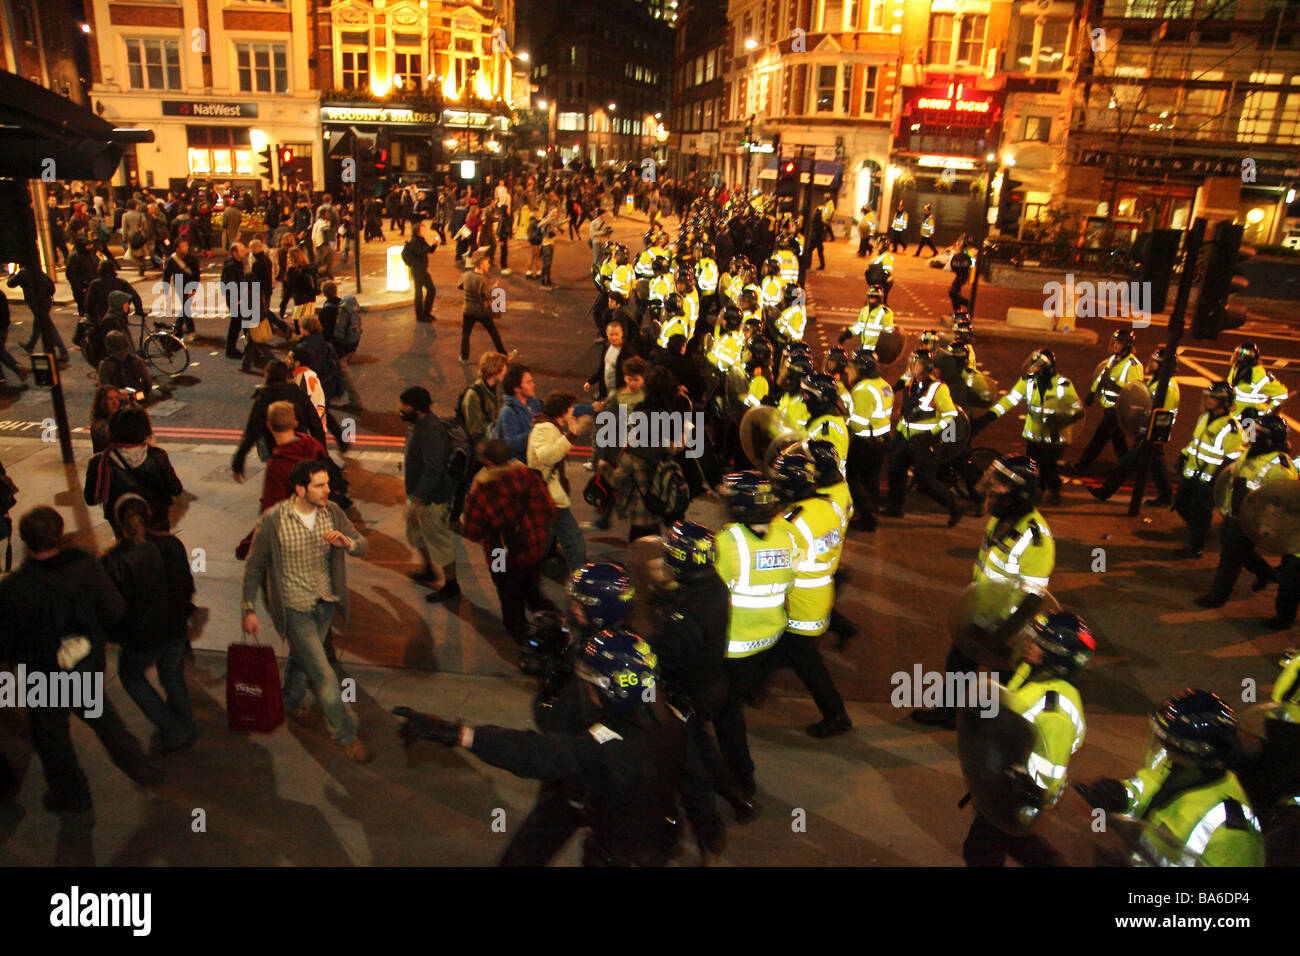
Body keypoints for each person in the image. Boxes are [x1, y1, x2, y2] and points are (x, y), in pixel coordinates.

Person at [393, 627, 687, 867]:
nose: (588, 691)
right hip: (650, 837)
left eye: (591, 686)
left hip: (619, 849)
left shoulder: (609, 747)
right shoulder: (670, 719)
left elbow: (534, 753)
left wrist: (461, 735)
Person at [0, 506, 157, 817]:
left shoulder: (15, 588)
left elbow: (5, 644)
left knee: (51, 738)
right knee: (106, 722)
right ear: (59, 534)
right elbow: (114, 610)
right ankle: (143, 771)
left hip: (42, 676)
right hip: (83, 666)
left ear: (26, 541)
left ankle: (72, 795)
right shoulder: (85, 567)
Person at [241, 459, 372, 762]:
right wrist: (248, 607)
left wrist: (348, 543)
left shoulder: (334, 513)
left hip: (324, 603)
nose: (328, 489)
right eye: (320, 485)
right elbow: (255, 564)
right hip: (293, 607)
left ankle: (289, 699)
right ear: (300, 489)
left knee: (303, 659)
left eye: (328, 483)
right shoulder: (274, 520)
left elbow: (363, 545)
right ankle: (346, 733)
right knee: (324, 673)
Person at [962, 611, 1094, 866]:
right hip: (1004, 776)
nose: (1028, 644)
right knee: (1018, 844)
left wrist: (1027, 791)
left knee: (981, 851)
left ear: (1053, 656)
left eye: (1036, 642)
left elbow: (1049, 767)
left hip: (1018, 791)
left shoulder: (1056, 710)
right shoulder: (1033, 670)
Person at [1077, 689, 1265, 866]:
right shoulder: (1179, 766)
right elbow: (1146, 787)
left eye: (1170, 744)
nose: (1165, 750)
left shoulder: (1231, 830)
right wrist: (1121, 795)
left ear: (1194, 751)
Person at [713, 472, 797, 796]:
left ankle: (741, 776)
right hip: (771, 635)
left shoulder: (729, 542)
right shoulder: (787, 534)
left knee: (726, 712)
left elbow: (710, 591)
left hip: (734, 645)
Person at [760, 453, 853, 738]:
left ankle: (836, 715)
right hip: (819, 595)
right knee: (788, 654)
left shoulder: (789, 522)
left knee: (806, 662)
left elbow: (772, 562)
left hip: (799, 603)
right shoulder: (825, 507)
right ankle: (752, 689)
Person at [100, 494, 197, 754]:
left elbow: (110, 606)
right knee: (174, 678)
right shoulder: (172, 545)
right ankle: (187, 727)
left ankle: (172, 729)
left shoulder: (113, 559)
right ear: (149, 515)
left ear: (119, 523)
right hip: (174, 629)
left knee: (132, 677)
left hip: (141, 638)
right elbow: (187, 586)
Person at [461, 438, 558, 644]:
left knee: (507, 593)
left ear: (487, 461)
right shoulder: (529, 477)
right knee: (532, 587)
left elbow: (471, 531)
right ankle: (551, 621)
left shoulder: (482, 490)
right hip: (532, 546)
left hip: (498, 554)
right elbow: (549, 511)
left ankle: (520, 633)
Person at [1195, 413, 1297, 608]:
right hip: (1237, 513)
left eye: (1257, 433)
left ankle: (1218, 595)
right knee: (1233, 547)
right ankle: (1266, 574)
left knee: (1230, 558)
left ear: (1269, 440)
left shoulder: (1280, 468)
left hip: (1254, 520)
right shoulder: (1253, 451)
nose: (1251, 435)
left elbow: (1284, 503)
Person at [974, 349, 1079, 506]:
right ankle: (1037, 492)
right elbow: (1010, 400)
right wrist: (990, 416)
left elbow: (1075, 409)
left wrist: (1060, 420)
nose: (1032, 368)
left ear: (1046, 367)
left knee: (1049, 465)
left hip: (1055, 434)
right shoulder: (1028, 381)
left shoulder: (1063, 384)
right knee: (1033, 465)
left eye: (1036, 365)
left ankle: (1054, 490)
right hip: (1034, 434)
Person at [1089, 346, 1179, 505]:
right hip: (1150, 431)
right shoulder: (1156, 380)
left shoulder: (1168, 387)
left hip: (1153, 432)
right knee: (1156, 466)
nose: (1152, 364)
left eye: (1157, 362)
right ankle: (1165, 496)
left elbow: (1158, 411)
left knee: (1127, 464)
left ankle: (1105, 491)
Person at [885, 350, 963, 524]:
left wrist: (932, 432)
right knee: (895, 471)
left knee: (925, 482)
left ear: (926, 367)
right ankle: (894, 508)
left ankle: (954, 507)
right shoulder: (911, 382)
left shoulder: (938, 388)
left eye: (916, 363)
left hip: (923, 442)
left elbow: (950, 415)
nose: (912, 366)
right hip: (905, 437)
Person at [399, 386, 461, 603]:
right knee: (414, 532)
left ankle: (451, 585)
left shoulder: (430, 430)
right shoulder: (417, 425)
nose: (400, 408)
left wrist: (419, 498)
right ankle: (428, 568)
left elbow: (433, 468)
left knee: (439, 540)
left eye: (405, 405)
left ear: (417, 408)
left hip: (433, 498)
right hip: (418, 493)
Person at [84, 405, 183, 533]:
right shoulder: (157, 456)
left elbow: (91, 499)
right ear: (145, 430)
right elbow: (176, 488)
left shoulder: (99, 461)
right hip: (157, 521)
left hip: (121, 525)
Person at [231, 359, 327, 481]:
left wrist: (238, 463)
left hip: (275, 448)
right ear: (286, 376)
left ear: (267, 376)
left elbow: (251, 432)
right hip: (299, 445)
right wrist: (323, 457)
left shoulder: (264, 397)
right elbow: (316, 425)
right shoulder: (298, 393)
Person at [972, 455, 1055, 590]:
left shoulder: (1035, 540)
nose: (993, 488)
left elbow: (1032, 597)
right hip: (984, 604)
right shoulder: (999, 519)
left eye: (1000, 483)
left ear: (1019, 492)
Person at [528, 390, 589, 573]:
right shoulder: (545, 428)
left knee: (545, 537)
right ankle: (580, 579)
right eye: (571, 408)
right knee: (573, 540)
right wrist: (571, 435)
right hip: (549, 496)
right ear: (563, 411)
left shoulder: (549, 426)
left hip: (547, 494)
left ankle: (529, 571)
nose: (573, 412)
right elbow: (547, 456)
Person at [1072, 329, 1143, 474]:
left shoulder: (1133, 365)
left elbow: (1134, 390)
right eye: (1115, 342)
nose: (1115, 345)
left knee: (1099, 439)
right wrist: (1092, 392)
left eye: (1119, 342)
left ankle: (1083, 466)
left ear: (1127, 345)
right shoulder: (1113, 359)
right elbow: (1101, 378)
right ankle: (1128, 468)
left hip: (1118, 410)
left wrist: (1115, 387)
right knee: (1118, 441)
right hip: (1109, 407)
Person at [258, 400, 328, 515]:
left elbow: (273, 507)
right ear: (295, 423)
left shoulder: (277, 465)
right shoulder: (314, 445)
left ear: (268, 425)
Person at [458, 250, 508, 364]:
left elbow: (460, 286)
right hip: (481, 311)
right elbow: (487, 296)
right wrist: (494, 289)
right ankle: (504, 355)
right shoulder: (482, 280)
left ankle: (464, 357)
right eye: (487, 263)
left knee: (465, 334)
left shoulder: (465, 275)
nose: (489, 265)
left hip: (468, 310)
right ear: (480, 265)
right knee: (494, 333)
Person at [497, 362, 542, 462]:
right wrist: (536, 431)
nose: (533, 385)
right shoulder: (508, 411)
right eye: (528, 382)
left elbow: (553, 410)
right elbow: (512, 444)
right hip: (521, 467)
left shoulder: (534, 402)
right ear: (516, 388)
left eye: (532, 381)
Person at [162, 237, 201, 338]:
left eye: (186, 246)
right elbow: (167, 275)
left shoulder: (192, 258)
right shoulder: (172, 260)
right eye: (183, 247)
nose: (186, 248)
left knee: (185, 306)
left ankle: (178, 326)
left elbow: (196, 275)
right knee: (186, 306)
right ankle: (191, 330)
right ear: (177, 248)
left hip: (190, 282)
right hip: (179, 283)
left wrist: (193, 289)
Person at [221, 241, 252, 359]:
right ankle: (230, 349)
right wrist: (236, 299)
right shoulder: (231, 266)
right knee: (236, 324)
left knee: (240, 323)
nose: (245, 252)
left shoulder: (238, 263)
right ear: (234, 252)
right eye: (242, 250)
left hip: (240, 298)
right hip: (235, 300)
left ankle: (249, 348)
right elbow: (227, 284)